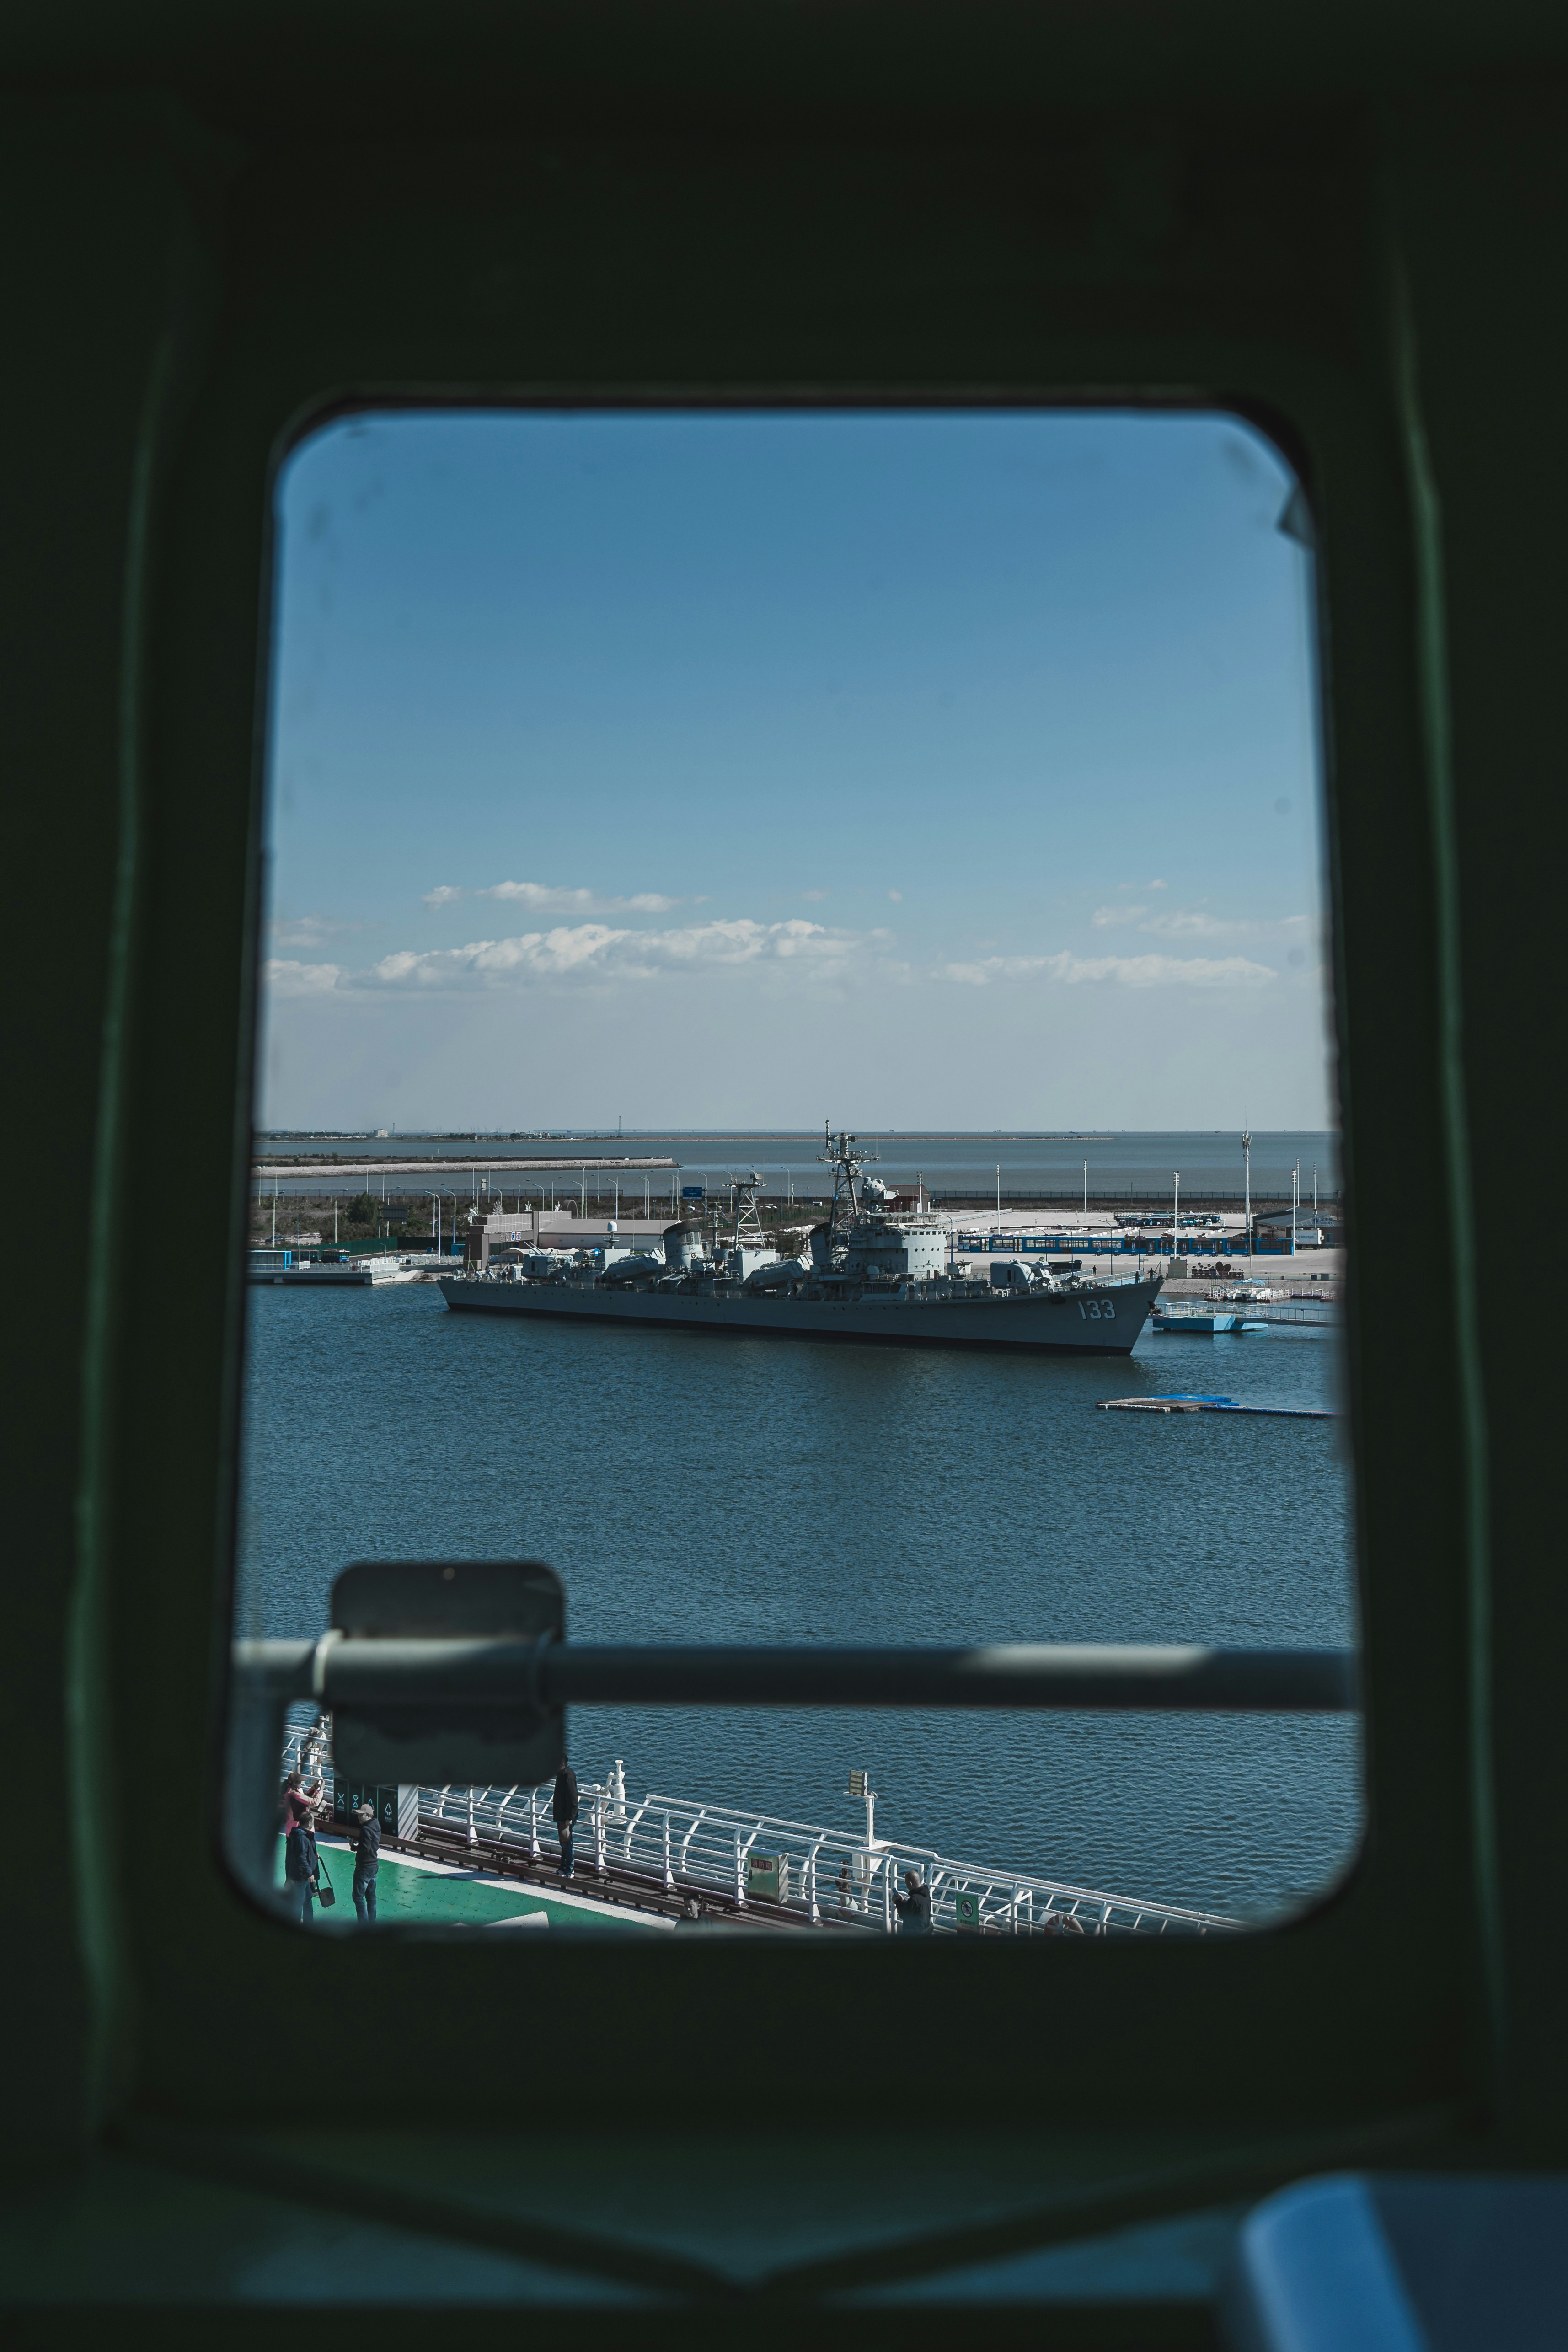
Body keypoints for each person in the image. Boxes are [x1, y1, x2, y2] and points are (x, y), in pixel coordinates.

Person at [280, 1770, 322, 1924]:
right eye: (301, 1781)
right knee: (299, 1859)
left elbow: (306, 1797)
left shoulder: (292, 1791)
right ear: (295, 1783)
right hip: (299, 1832)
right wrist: (321, 1790)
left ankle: (303, 1885)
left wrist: (313, 1789)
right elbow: (313, 1802)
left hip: (293, 1831)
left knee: (296, 1860)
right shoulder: (293, 1794)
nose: (303, 1783)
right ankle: (301, 1884)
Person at [350, 1800, 380, 1924]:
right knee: (371, 1897)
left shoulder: (366, 1830)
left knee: (358, 1897)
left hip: (364, 1867)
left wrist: (354, 1847)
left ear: (368, 1816)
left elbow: (365, 1849)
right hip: (374, 1866)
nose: (359, 1817)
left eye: (361, 1815)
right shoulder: (376, 1826)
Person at [552, 1754, 579, 1880]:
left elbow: (573, 1799)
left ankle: (569, 1870)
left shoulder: (568, 1777)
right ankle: (563, 1868)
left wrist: (570, 1818)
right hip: (561, 1815)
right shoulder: (562, 1775)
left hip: (566, 1817)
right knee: (563, 1843)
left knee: (567, 1843)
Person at [894, 1868, 933, 1935]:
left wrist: (897, 1902)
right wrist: (903, 1901)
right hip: (926, 1931)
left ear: (910, 1883)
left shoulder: (915, 1899)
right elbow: (915, 1909)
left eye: (906, 1883)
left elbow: (904, 1915)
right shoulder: (926, 1895)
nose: (906, 1885)